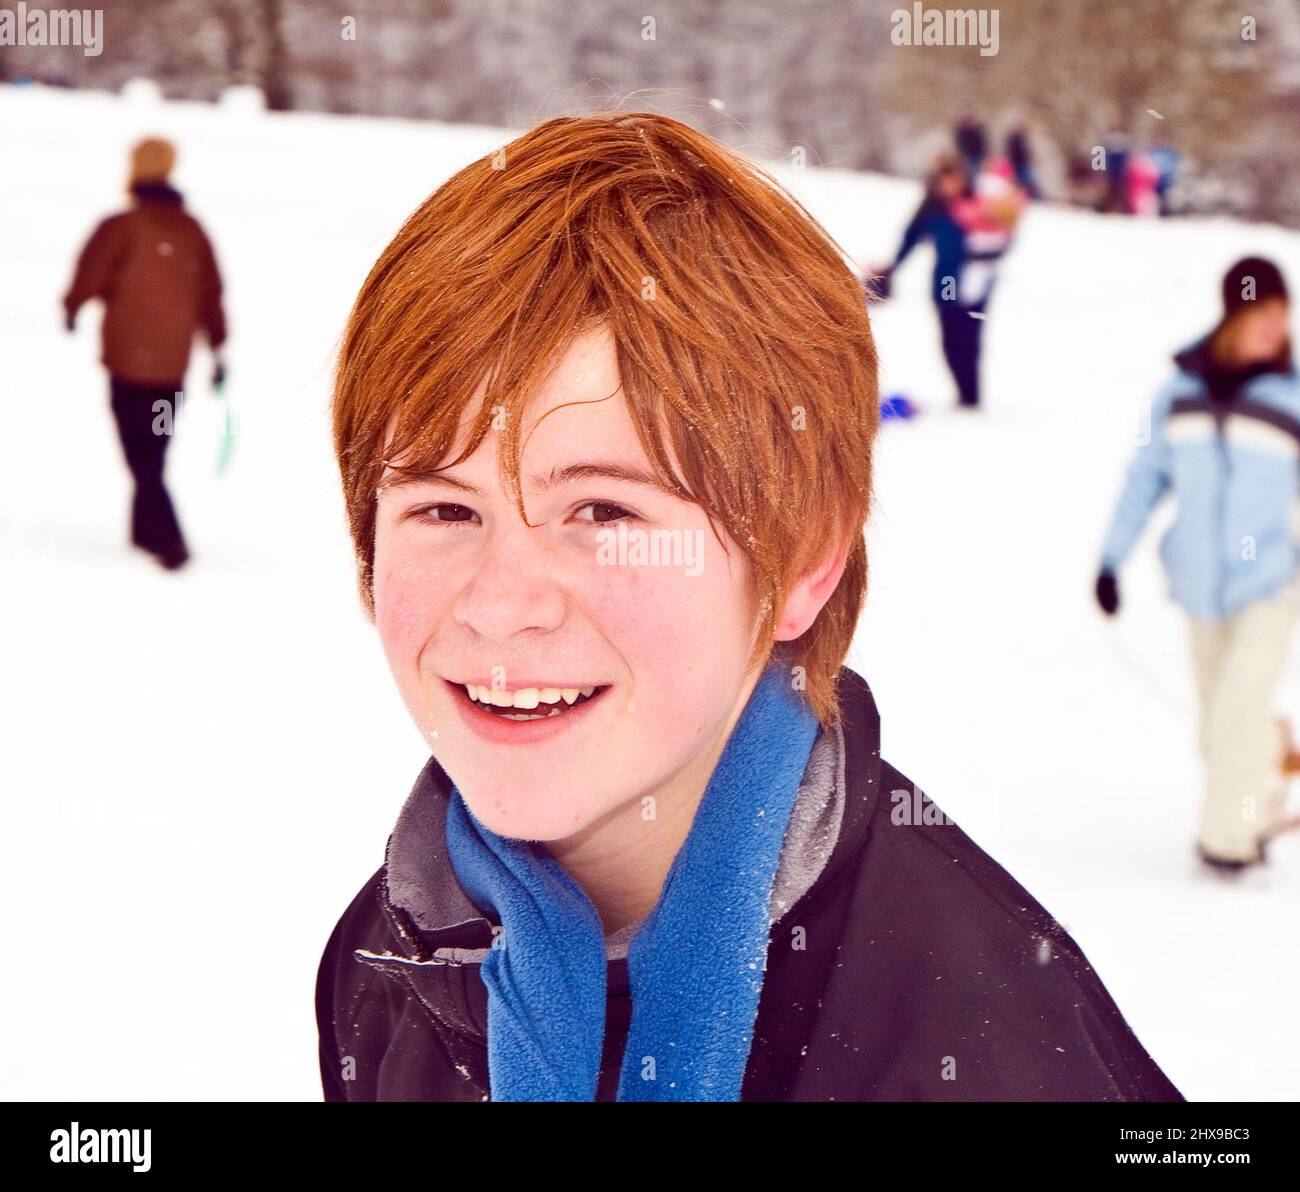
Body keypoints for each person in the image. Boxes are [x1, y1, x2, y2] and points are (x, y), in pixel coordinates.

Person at [316, 112, 1182, 1102]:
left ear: (803, 557)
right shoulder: (388, 962)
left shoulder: (987, 1050)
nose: (502, 606)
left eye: (601, 509)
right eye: (441, 507)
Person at [1095, 257, 1300, 870]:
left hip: (1271, 580)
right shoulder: (1178, 395)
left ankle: (1228, 844)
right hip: (1198, 585)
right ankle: (1271, 764)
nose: (1275, 328)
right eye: (1260, 315)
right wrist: (1110, 560)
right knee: (1216, 727)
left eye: (1281, 316)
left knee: (1238, 706)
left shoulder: (1292, 398)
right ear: (1233, 315)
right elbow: (1144, 480)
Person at [63, 136, 227, 570]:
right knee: (154, 449)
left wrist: (72, 306)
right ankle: (143, 534)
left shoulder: (120, 226)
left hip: (126, 368)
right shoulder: (192, 231)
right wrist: (219, 347)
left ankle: (169, 541)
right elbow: (212, 295)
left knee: (142, 456)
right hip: (172, 371)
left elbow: (89, 274)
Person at [873, 152, 1024, 409]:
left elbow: (1004, 233)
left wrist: (988, 254)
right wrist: (892, 268)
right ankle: (963, 393)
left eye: (955, 178)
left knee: (971, 342)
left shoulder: (979, 204)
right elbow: (911, 239)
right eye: (945, 180)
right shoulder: (933, 209)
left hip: (978, 287)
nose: (950, 185)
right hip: (944, 286)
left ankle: (971, 397)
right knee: (949, 342)